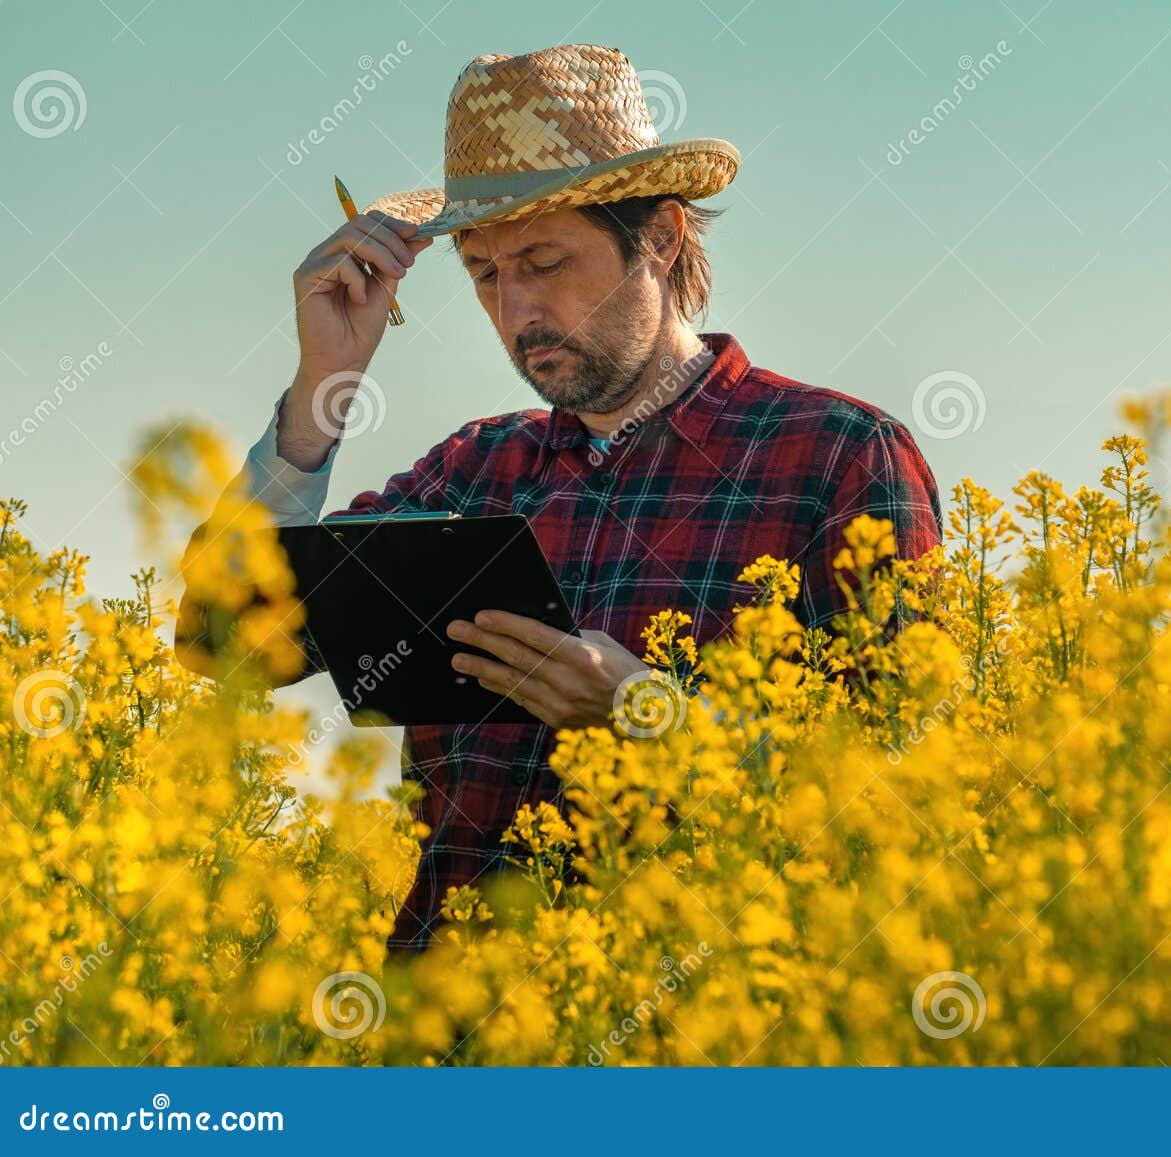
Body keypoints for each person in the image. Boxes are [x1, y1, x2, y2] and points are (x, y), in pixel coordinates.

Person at [185, 44, 943, 953]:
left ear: (659, 239)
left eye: (544, 261)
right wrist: (323, 383)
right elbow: (221, 643)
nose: (516, 313)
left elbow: (912, 803)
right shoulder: (469, 471)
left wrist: (652, 715)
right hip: (443, 1054)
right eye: (483, 273)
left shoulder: (836, 459)